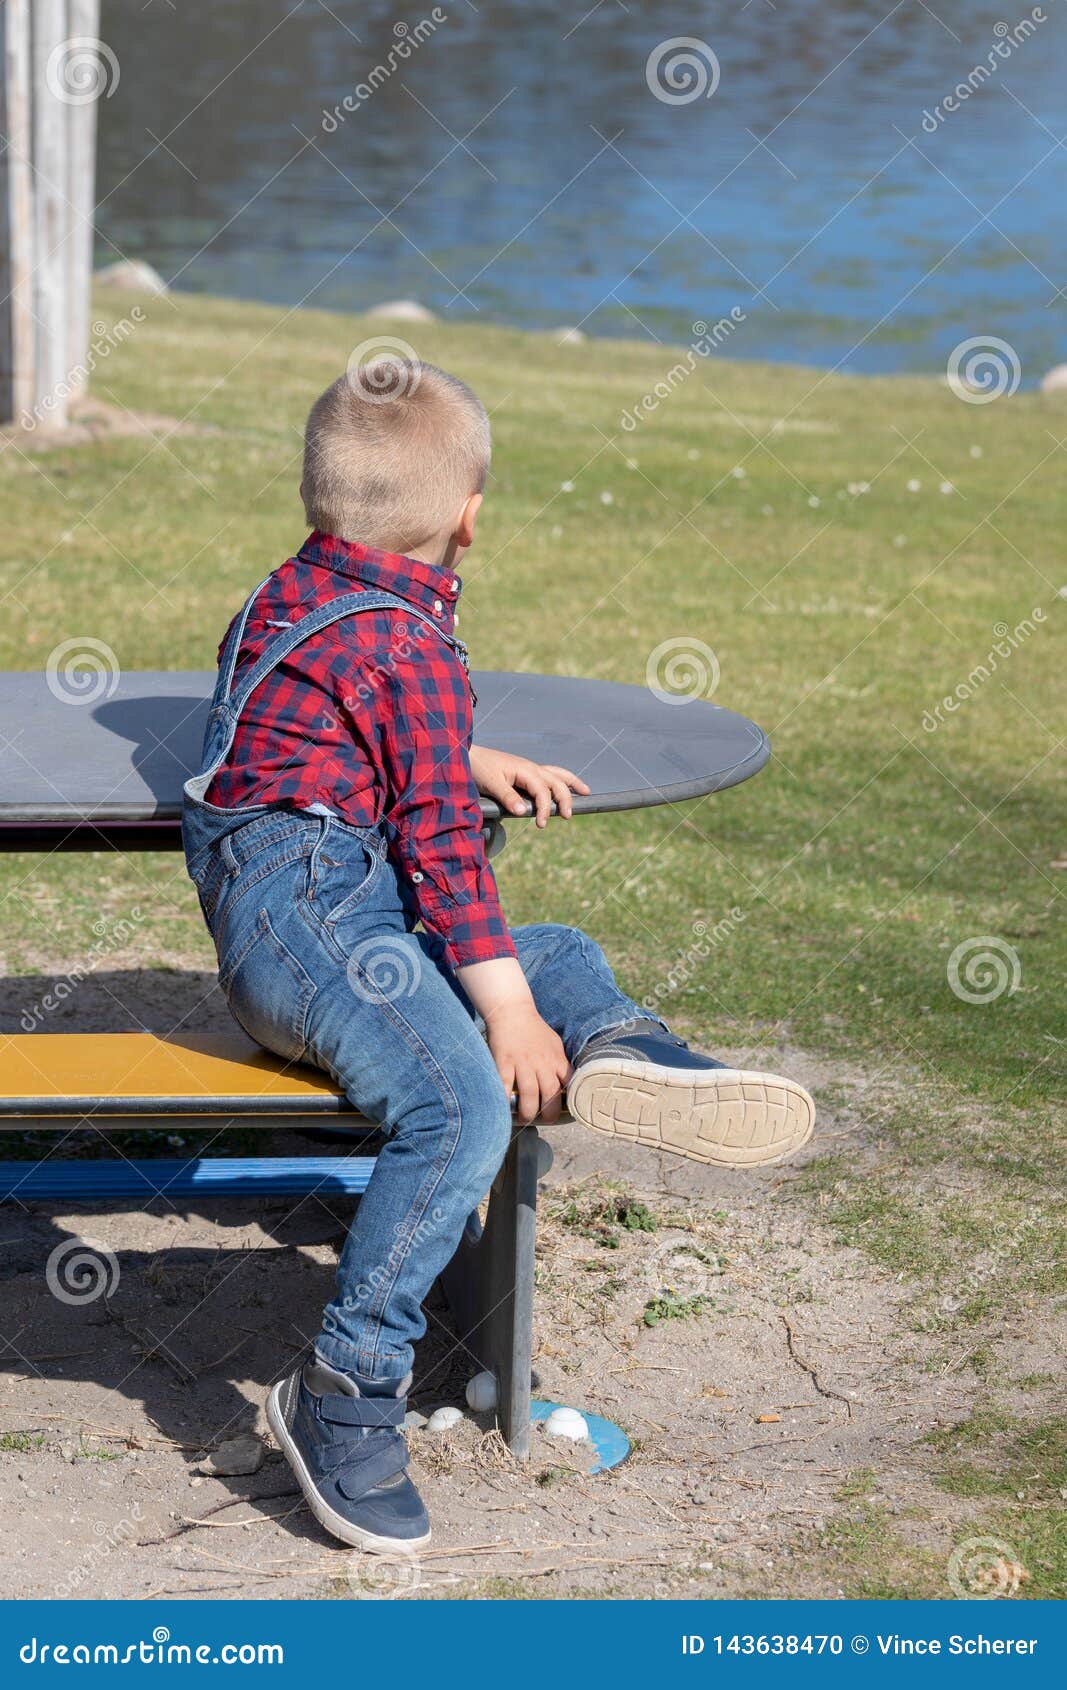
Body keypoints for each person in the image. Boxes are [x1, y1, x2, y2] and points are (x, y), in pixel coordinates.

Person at [182, 357, 815, 1554]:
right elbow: (439, 861)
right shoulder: (412, 651)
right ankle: (343, 1393)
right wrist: (509, 1015)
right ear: (470, 514)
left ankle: (637, 1056)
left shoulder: (286, 590)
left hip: (301, 918)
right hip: (313, 936)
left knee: (559, 946)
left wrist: (457, 758)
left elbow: (313, 717)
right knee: (461, 1104)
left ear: (322, 496)